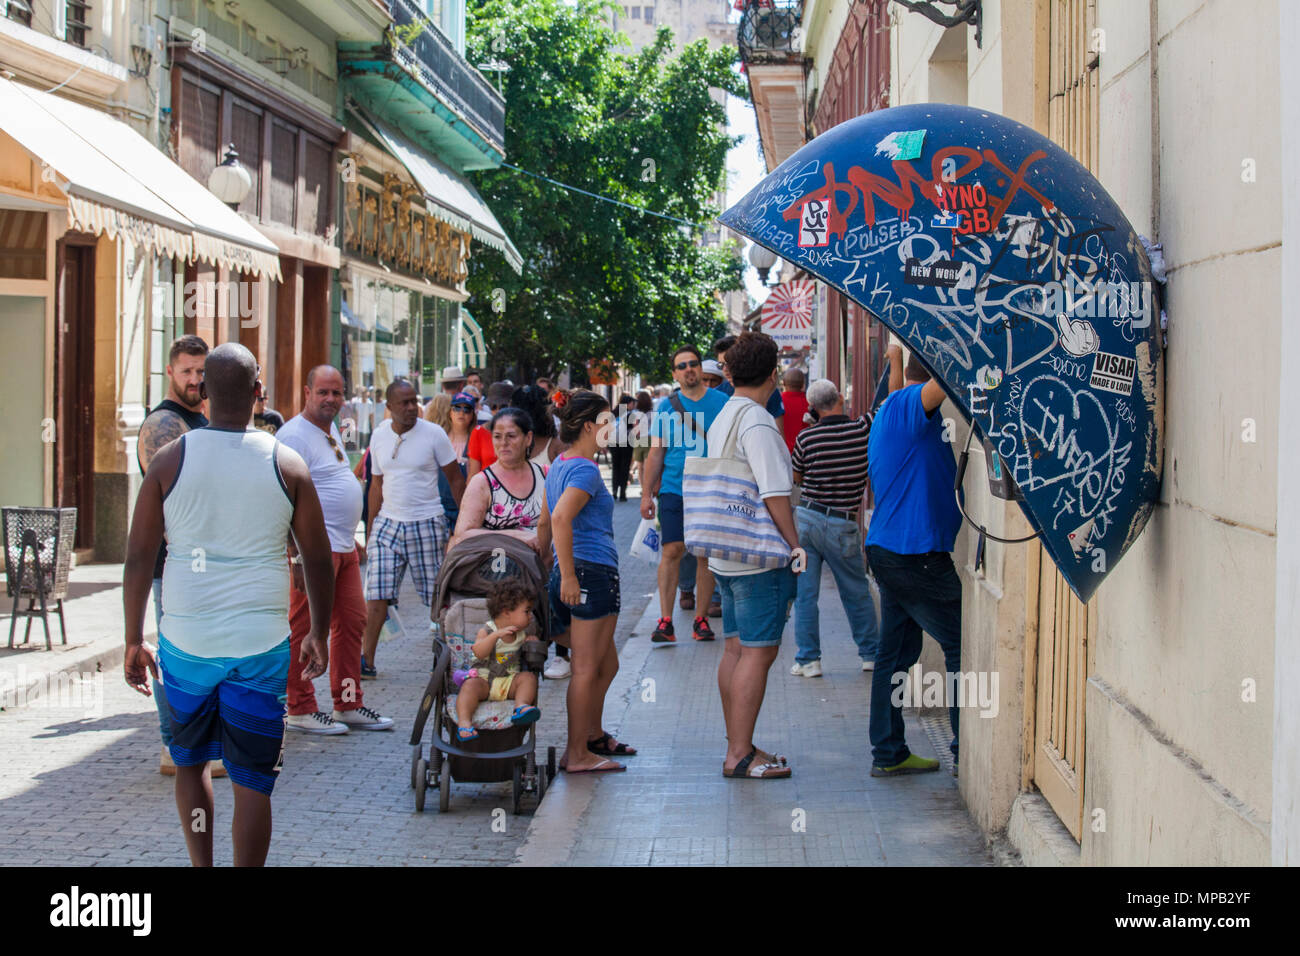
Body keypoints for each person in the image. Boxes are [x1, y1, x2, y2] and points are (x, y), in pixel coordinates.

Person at [123, 342, 334, 866]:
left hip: (185, 641)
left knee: (191, 765)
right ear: (258, 394)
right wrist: (318, 633)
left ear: (204, 393)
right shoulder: (288, 465)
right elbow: (318, 559)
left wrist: (132, 638)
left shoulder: (170, 461)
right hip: (260, 644)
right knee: (253, 781)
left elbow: (138, 556)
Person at [705, 332, 804, 780]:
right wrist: (794, 545)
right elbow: (776, 493)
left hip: (727, 553)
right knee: (758, 655)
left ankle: (736, 745)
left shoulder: (725, 412)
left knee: (735, 650)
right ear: (773, 373)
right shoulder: (760, 422)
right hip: (758, 557)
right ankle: (740, 754)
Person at [279, 365, 394, 735]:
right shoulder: (293, 436)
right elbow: (282, 501)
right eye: (323, 392)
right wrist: (296, 555)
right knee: (303, 626)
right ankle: (299, 707)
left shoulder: (331, 430)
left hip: (343, 547)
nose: (331, 400)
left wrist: (351, 535)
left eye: (337, 393)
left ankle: (348, 702)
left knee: (351, 623)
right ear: (307, 392)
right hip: (314, 551)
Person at [866, 345, 963, 777]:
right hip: (915, 555)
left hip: (893, 550)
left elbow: (897, 379)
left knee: (895, 655)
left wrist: (893, 355)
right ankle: (966, 750)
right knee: (962, 646)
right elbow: (942, 383)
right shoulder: (910, 404)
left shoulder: (891, 406)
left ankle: (889, 753)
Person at [135, 335, 225, 779]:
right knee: (176, 655)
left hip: (201, 561)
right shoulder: (163, 425)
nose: (195, 379)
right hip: (173, 562)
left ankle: (196, 743)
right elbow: (175, 501)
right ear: (170, 372)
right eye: (187, 370)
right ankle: (175, 746)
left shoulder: (199, 419)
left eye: (201, 371)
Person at [547, 391, 634, 772]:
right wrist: (566, 574)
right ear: (587, 426)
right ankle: (577, 754)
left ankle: (592, 735)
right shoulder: (582, 469)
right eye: (606, 421)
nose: (612, 428)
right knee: (586, 668)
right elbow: (560, 518)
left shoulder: (559, 464)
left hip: (578, 572)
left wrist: (552, 569)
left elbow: (544, 520)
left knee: (606, 665)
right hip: (589, 574)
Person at [361, 379, 467, 679]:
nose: (411, 408)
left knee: (436, 597)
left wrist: (464, 526)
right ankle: (366, 660)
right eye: (404, 403)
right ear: (390, 407)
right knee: (376, 593)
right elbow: (376, 486)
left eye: (414, 401)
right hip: (388, 525)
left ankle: (452, 660)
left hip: (427, 522)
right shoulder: (380, 435)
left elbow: (456, 480)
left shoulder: (434, 435)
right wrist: (371, 530)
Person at [789, 378, 879, 677]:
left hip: (806, 523)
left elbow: (797, 478)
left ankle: (808, 659)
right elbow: (884, 400)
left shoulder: (806, 438)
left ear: (812, 408)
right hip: (843, 523)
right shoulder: (862, 429)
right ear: (840, 398)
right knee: (856, 591)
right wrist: (893, 356)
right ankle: (870, 655)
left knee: (805, 594)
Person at [640, 347, 727, 640]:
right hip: (675, 488)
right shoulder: (666, 406)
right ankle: (665, 620)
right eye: (682, 366)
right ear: (675, 374)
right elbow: (655, 452)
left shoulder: (723, 403)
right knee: (672, 549)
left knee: (704, 554)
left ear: (701, 369)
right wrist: (645, 494)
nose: (689, 369)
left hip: (711, 488)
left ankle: (700, 620)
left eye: (693, 364)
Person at [446, 405, 552, 556]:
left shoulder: (546, 475)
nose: (503, 443)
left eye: (511, 436)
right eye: (497, 436)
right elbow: (462, 535)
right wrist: (516, 536)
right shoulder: (483, 483)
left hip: (543, 570)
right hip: (496, 572)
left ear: (528, 438)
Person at [454, 579, 542, 740]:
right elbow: (479, 652)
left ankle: (521, 707)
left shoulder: (522, 634)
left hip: (509, 682)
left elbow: (529, 656)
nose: (530, 616)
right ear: (506, 611)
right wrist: (494, 636)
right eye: (526, 611)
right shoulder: (487, 630)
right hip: (484, 681)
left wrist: (532, 643)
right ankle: (464, 723)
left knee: (528, 678)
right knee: (469, 687)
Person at [713, 335, 784, 435]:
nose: (725, 369)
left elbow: (779, 433)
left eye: (730, 363)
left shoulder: (769, 390)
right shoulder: (716, 394)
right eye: (721, 365)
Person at [466, 382, 515, 478]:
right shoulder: (479, 432)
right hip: (486, 489)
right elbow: (473, 474)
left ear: (511, 405)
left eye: (503, 406)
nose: (498, 410)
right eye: (493, 407)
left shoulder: (520, 432)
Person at [609, 393, 635, 501]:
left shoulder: (613, 413)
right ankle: (623, 493)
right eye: (632, 403)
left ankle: (614, 491)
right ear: (628, 404)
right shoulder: (630, 415)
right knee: (625, 467)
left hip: (614, 443)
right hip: (626, 444)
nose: (633, 405)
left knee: (615, 467)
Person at [780, 367, 809, 453]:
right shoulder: (810, 404)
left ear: (784, 383)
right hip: (804, 451)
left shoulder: (778, 403)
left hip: (783, 452)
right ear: (803, 384)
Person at [629, 390, 653, 489]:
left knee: (640, 467)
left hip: (639, 439)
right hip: (650, 438)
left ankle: (643, 488)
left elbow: (636, 429)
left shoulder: (635, 413)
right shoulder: (653, 412)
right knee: (648, 467)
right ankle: (648, 488)